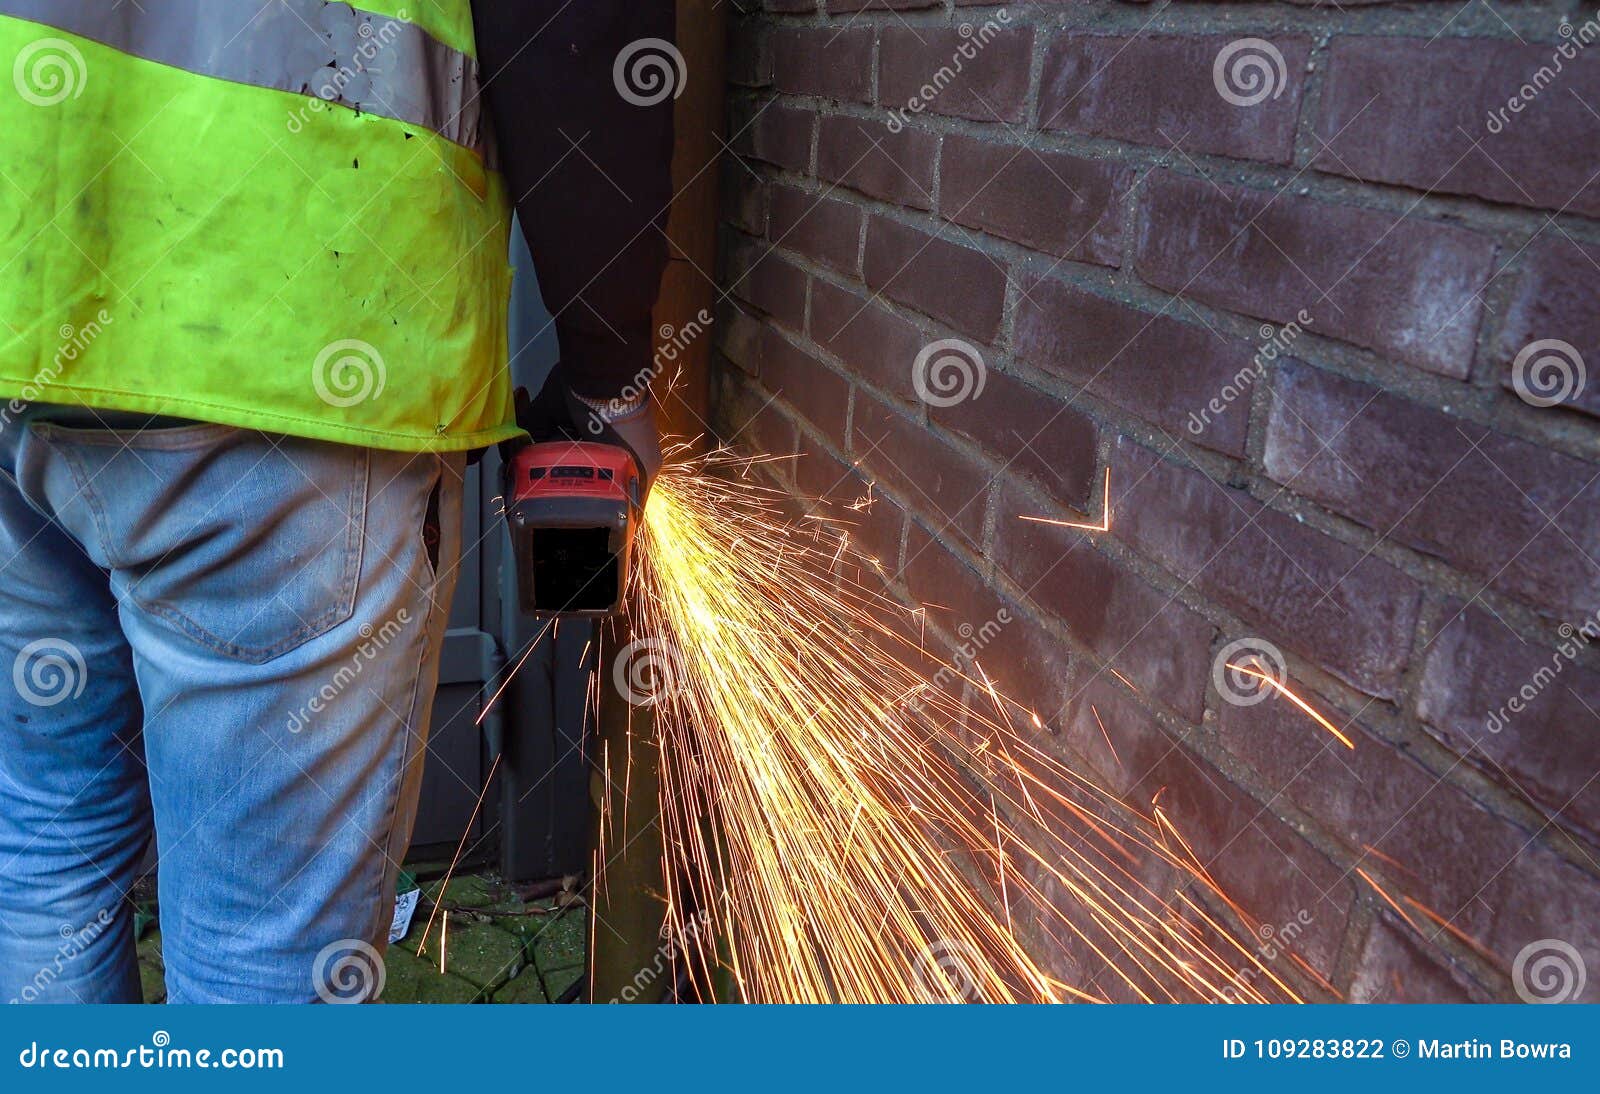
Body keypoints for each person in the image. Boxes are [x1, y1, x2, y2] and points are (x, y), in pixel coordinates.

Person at [0, 0, 673, 1003]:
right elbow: (576, 33)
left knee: (43, 852)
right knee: (260, 951)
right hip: (286, 333)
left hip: (23, 290)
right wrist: (610, 371)